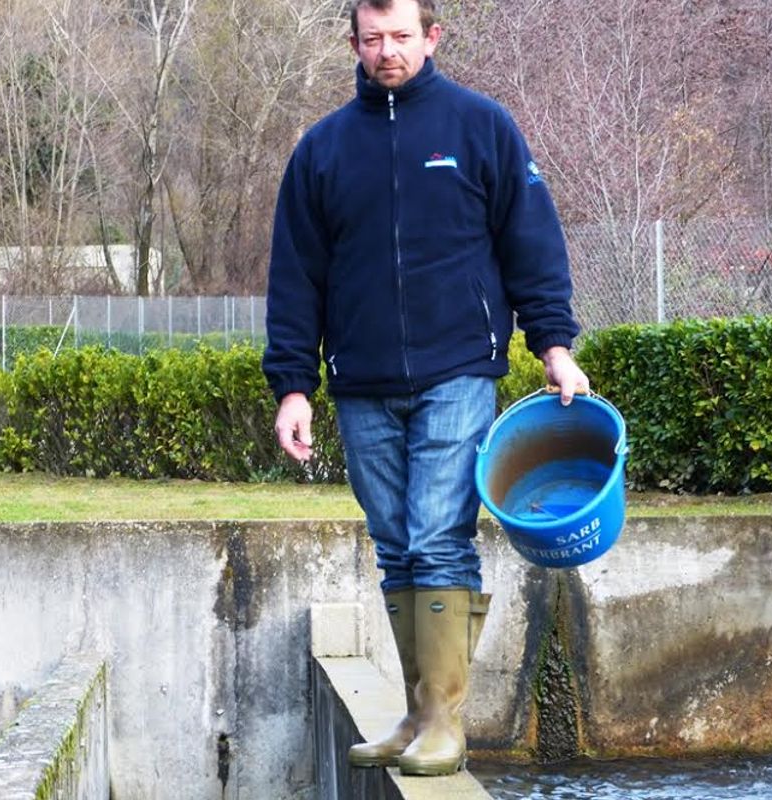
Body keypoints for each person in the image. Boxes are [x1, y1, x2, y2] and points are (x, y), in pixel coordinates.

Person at [261, 0, 590, 777]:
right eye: (372, 39)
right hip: (361, 381)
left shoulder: (482, 128)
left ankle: (445, 721)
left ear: (432, 36)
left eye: (401, 36)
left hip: (459, 370)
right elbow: (294, 280)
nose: (387, 52)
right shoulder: (322, 151)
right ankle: (416, 714)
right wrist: (293, 387)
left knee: (438, 532)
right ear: (353, 43)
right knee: (394, 543)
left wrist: (553, 346)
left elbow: (532, 243)